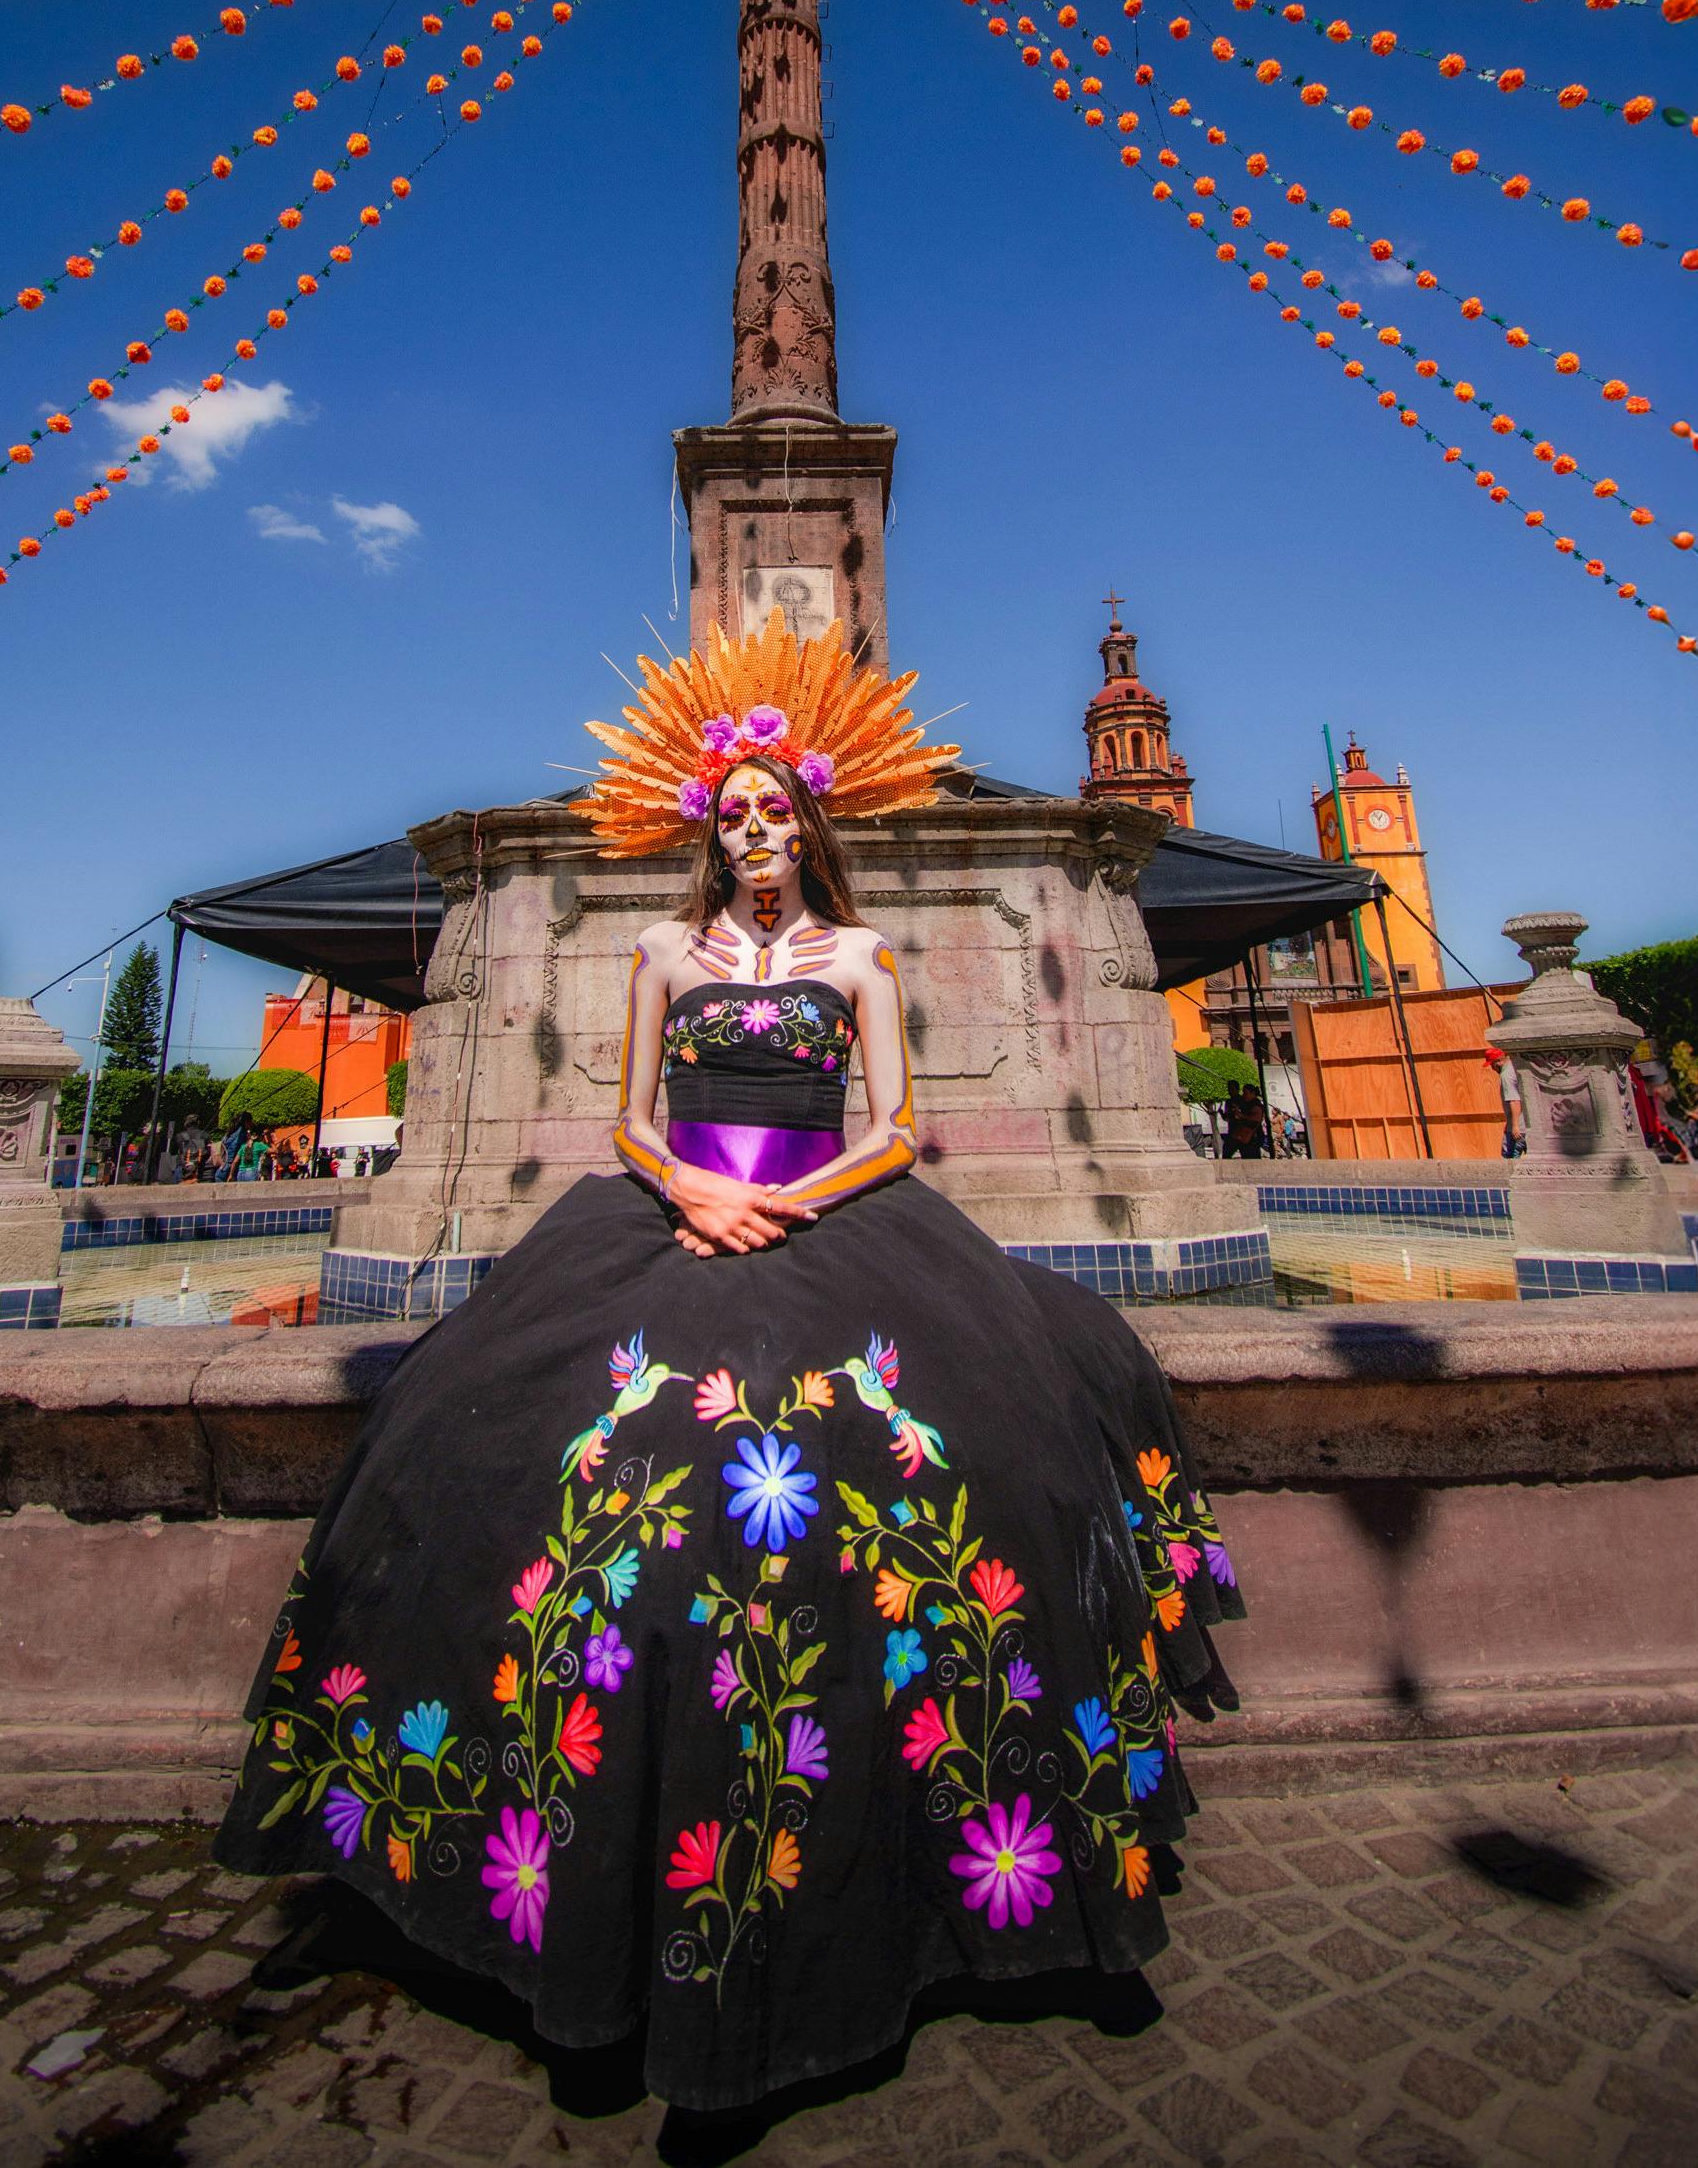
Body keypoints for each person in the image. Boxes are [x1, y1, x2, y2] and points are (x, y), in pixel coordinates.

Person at [215, 616, 1243, 2118]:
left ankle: (920, 1857)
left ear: (810, 826)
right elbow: (630, 1115)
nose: (757, 831)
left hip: (835, 1213)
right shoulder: (658, 952)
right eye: (736, 812)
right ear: (713, 826)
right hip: (668, 1211)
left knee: (962, 1455)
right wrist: (693, 1191)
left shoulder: (863, 957)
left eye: (778, 811)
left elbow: (891, 1126)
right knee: (510, 1442)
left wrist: (790, 1201)